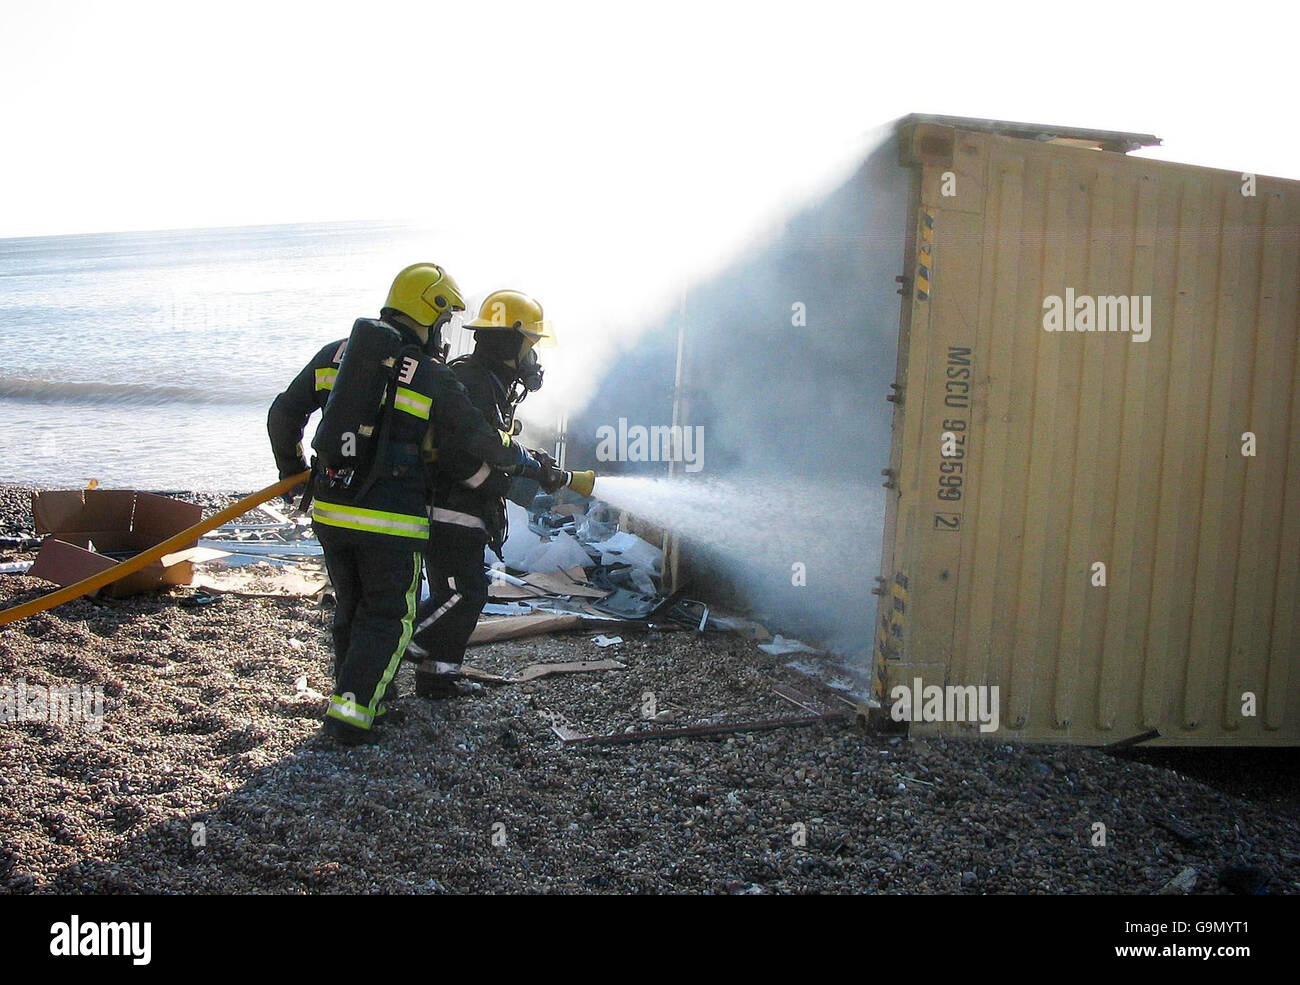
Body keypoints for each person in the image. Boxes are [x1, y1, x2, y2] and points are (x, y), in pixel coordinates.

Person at [267, 264, 558, 746]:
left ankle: (363, 700)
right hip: (391, 519)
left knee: (353, 609)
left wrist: (290, 472)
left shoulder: (335, 356)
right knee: (388, 615)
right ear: (432, 313)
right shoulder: (430, 375)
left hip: (330, 511)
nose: (444, 335)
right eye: (444, 323)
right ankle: (353, 718)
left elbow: (283, 413)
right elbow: (485, 441)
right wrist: (531, 463)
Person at [406, 290, 562, 698]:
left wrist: (532, 463)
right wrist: (505, 483)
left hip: (465, 508)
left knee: (459, 594)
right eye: (530, 346)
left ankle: (438, 680)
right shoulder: (472, 381)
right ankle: (397, 643)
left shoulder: (488, 382)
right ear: (510, 342)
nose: (533, 359)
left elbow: (497, 444)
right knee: (464, 594)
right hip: (449, 507)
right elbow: (461, 454)